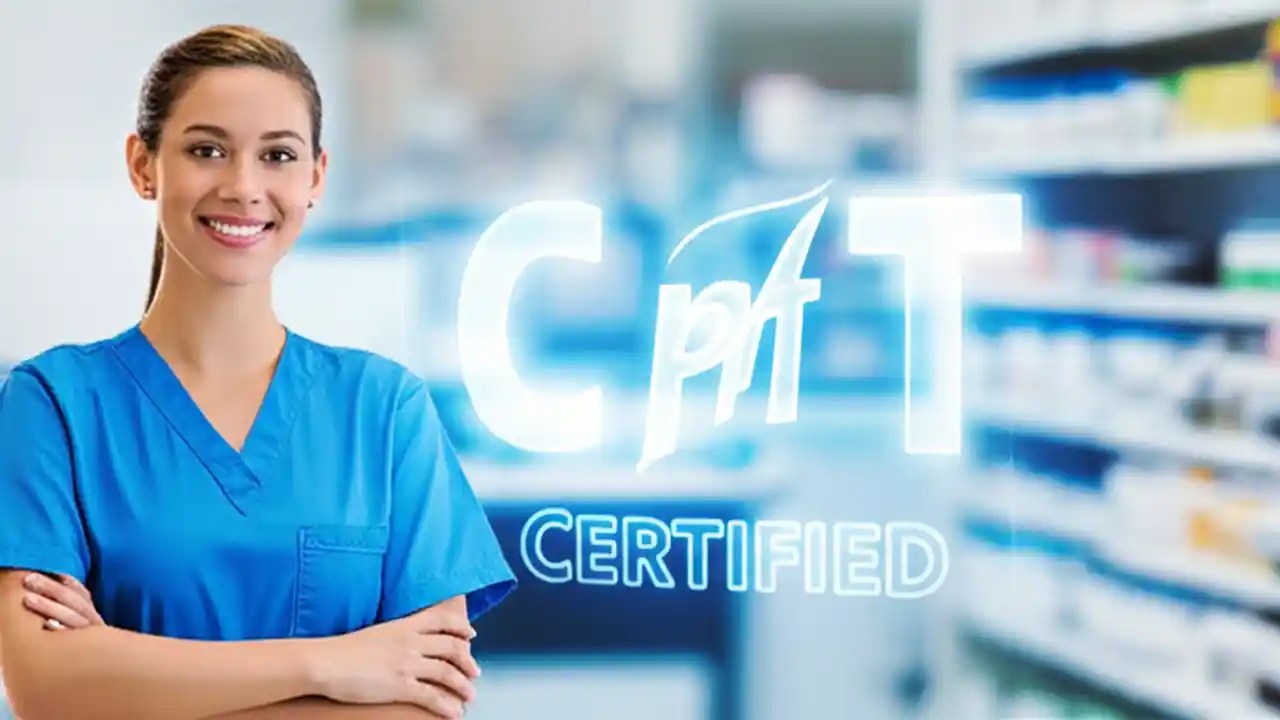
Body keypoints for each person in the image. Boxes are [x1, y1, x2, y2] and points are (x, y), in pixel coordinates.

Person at [0, 24, 515, 719]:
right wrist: (333, 665)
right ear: (142, 164)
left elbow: (428, 702)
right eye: (207, 150)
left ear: (315, 178)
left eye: (277, 155)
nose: (244, 187)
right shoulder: (52, 405)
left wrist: (119, 675)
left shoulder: (385, 410)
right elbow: (44, 688)